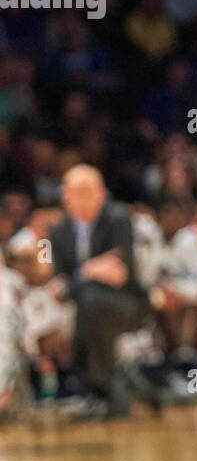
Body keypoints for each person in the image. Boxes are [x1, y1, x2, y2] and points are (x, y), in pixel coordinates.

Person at [49, 165, 150, 419]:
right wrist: (90, 270)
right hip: (87, 310)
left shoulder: (119, 219)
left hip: (126, 305)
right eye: (76, 191)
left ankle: (94, 391)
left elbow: (119, 274)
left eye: (88, 190)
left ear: (102, 193)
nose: (82, 197)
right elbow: (57, 284)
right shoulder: (57, 231)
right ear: (65, 196)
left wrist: (76, 280)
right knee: (90, 302)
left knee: (91, 301)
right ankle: (110, 389)